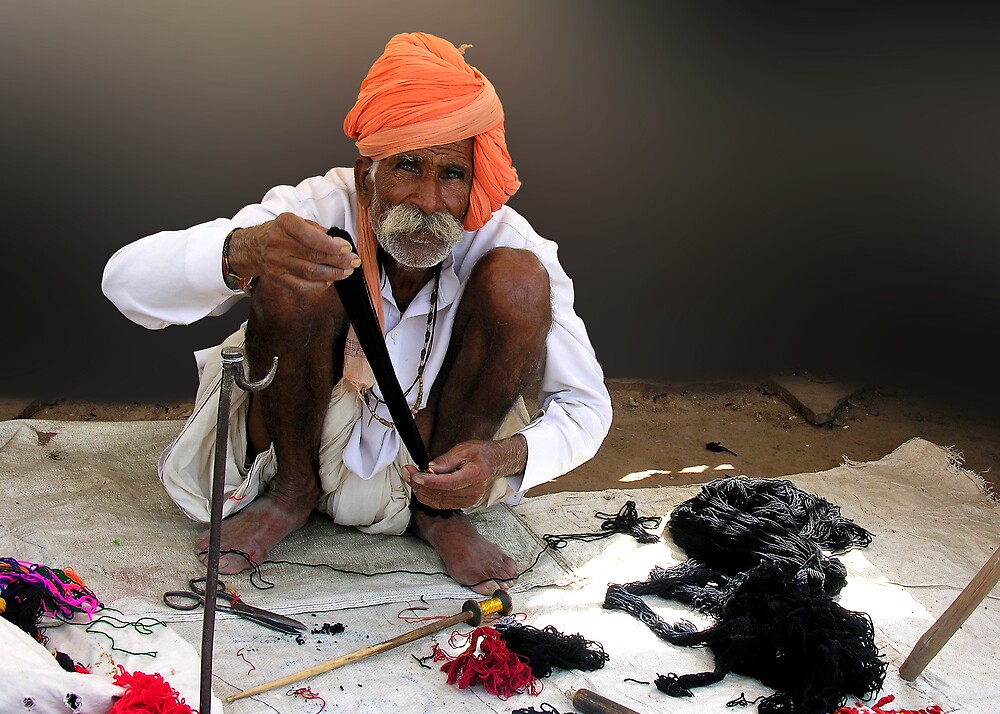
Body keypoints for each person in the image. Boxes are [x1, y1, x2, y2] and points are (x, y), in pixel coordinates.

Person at [102, 32, 612, 594]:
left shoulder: (505, 240)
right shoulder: (317, 206)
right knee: (301, 262)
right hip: (292, 441)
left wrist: (502, 456)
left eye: (451, 175)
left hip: (430, 450)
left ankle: (439, 512)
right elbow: (124, 283)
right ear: (366, 169)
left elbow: (586, 410)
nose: (428, 201)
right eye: (408, 167)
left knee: (518, 286)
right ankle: (291, 493)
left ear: (475, 181)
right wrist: (244, 251)